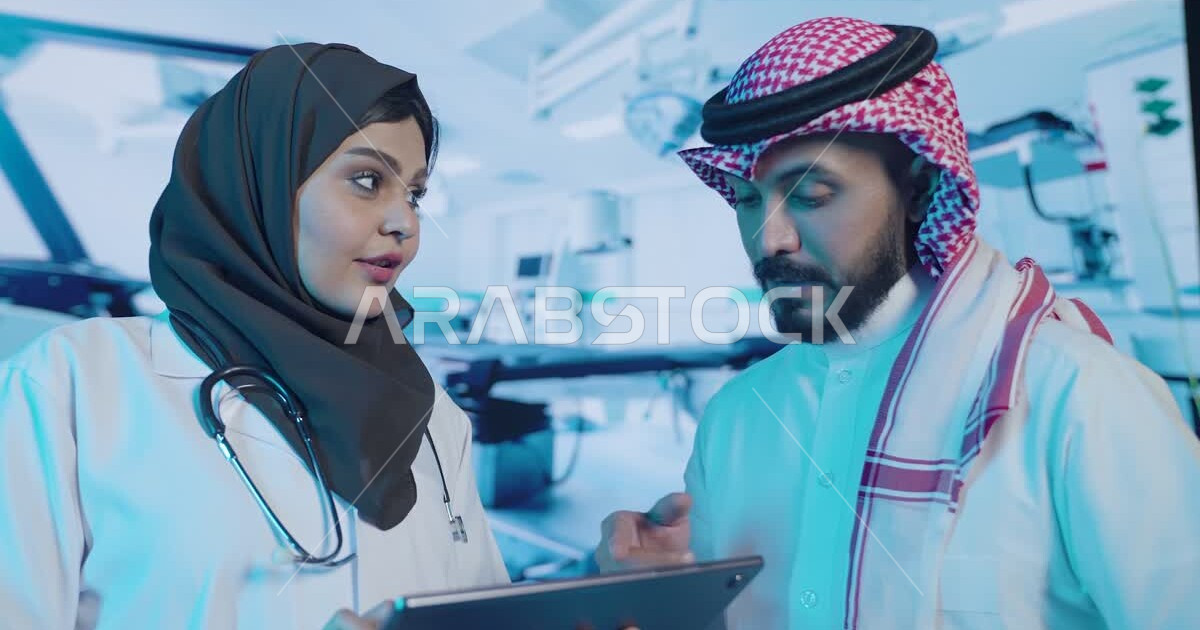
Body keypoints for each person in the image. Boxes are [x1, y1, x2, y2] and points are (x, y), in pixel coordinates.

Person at [594, 16, 1200, 629]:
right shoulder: (737, 417)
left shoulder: (1078, 400)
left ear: (919, 188)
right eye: (747, 200)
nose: (768, 238)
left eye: (811, 194)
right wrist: (660, 604)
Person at [0, 43, 510, 629]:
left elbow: (480, 614)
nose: (407, 223)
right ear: (259, 183)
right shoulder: (72, 386)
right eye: (368, 180)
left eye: (415, 193)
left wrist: (610, 586)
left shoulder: (434, 417)